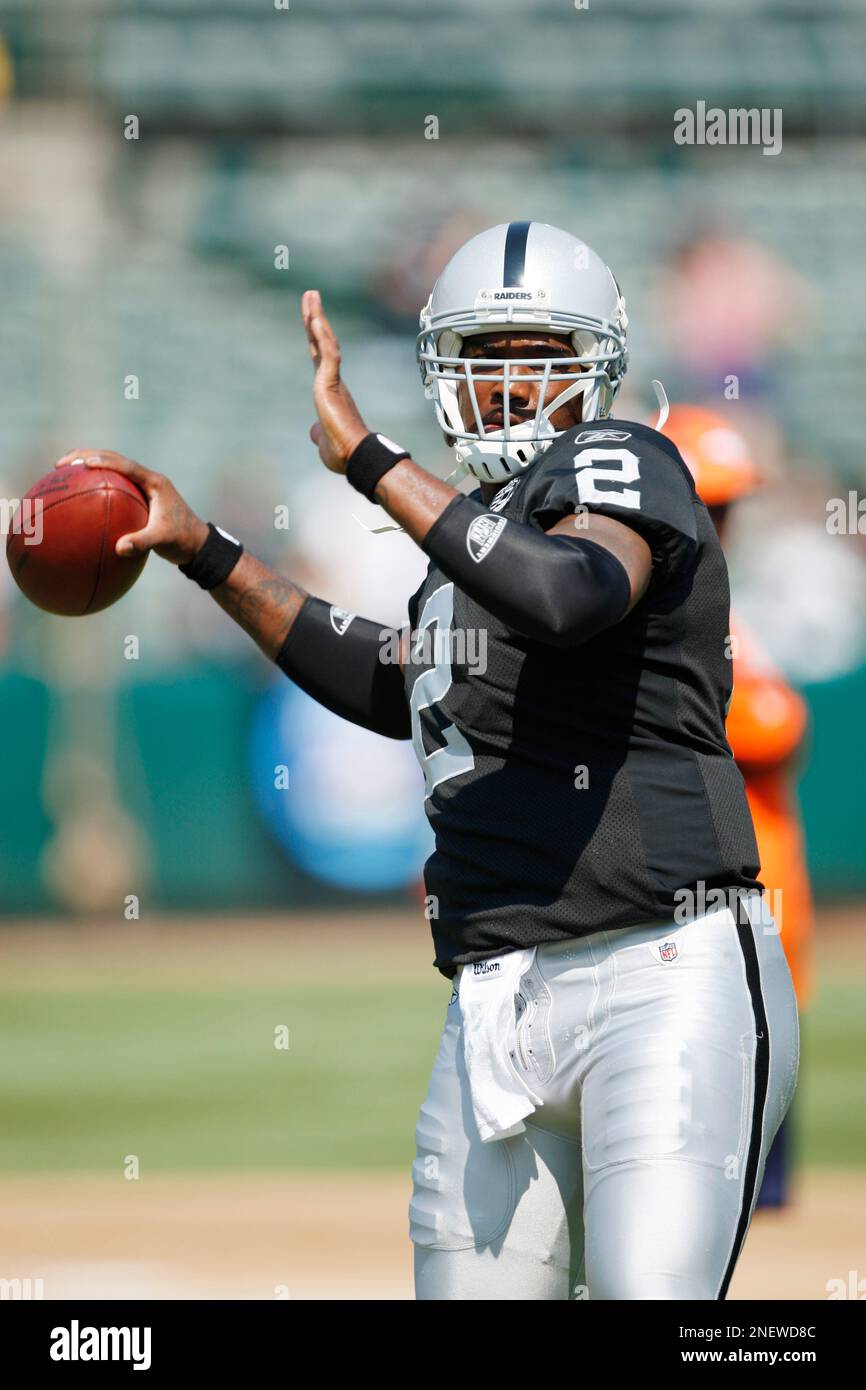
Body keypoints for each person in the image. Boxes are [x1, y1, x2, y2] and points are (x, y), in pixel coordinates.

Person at [57, 221, 799, 1300]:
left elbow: (567, 593)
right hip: (494, 992)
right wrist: (206, 552)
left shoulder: (622, 461)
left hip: (661, 970)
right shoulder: (471, 542)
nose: (505, 386)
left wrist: (369, 461)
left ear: (592, 362)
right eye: (481, 358)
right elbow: (385, 680)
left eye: (535, 356)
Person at [659, 404, 814, 1211]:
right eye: (707, 506)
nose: (719, 525)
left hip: (750, 879)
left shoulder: (727, 616)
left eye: (725, 508)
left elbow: (779, 729)